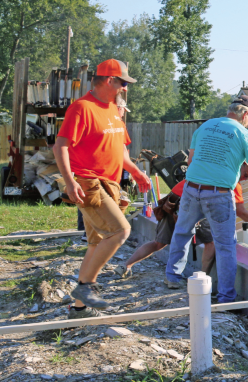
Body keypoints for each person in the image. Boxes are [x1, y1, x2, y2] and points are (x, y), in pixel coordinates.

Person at [165, 95, 248, 303]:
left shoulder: (206, 126)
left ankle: (172, 277)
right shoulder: (244, 135)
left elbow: (191, 159)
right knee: (225, 245)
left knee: (182, 232)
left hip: (191, 188)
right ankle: (226, 296)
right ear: (245, 114)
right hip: (219, 194)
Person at [53, 59, 152, 318]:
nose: (125, 89)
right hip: (88, 182)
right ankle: (85, 288)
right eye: (122, 83)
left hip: (110, 184)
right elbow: (60, 146)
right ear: (109, 80)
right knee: (121, 231)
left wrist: (136, 171)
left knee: (97, 242)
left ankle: (79, 310)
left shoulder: (113, 110)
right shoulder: (81, 108)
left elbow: (120, 151)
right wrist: (70, 181)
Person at [116, 163, 248, 278]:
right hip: (190, 203)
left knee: (159, 243)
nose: (245, 179)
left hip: (175, 199)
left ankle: (126, 265)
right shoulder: (230, 180)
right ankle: (202, 279)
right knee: (211, 241)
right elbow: (240, 211)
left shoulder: (214, 168)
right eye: (246, 175)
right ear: (240, 166)